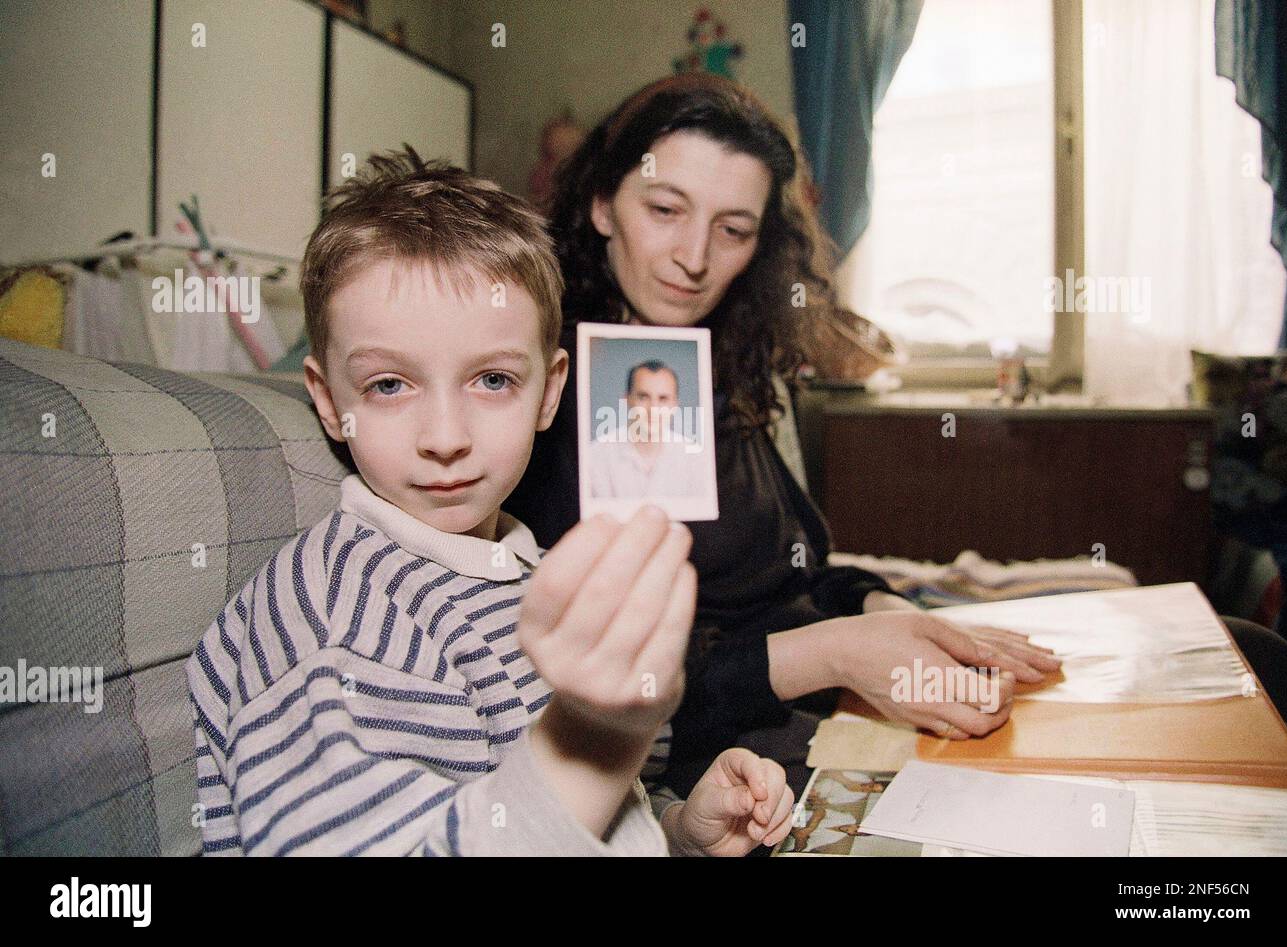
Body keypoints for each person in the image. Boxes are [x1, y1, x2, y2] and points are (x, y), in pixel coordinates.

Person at [184, 148, 795, 856]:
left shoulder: (522, 565)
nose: (445, 438)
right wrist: (598, 736)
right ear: (326, 399)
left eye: (493, 380)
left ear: (551, 389)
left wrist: (677, 828)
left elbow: (557, 811)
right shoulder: (328, 617)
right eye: (389, 385)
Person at [505, 74, 1062, 798]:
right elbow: (628, 699)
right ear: (603, 204)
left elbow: (802, 572)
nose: (694, 257)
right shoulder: (547, 392)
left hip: (825, 703)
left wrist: (891, 612)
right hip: (730, 768)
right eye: (666, 209)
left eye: (733, 229)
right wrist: (836, 653)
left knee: (1249, 654)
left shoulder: (723, 364)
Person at [589, 359, 709, 499]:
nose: (653, 409)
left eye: (663, 399)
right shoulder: (596, 456)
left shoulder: (695, 459)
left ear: (675, 405)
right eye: (643, 397)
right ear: (627, 400)